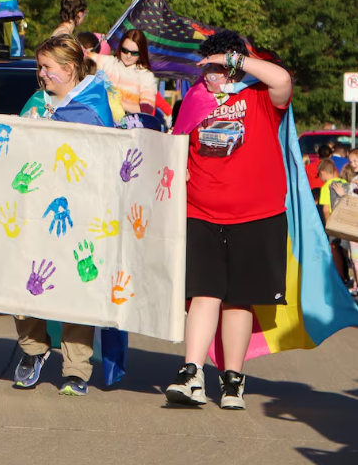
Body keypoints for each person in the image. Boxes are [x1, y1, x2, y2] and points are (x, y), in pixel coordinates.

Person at [165, 30, 293, 410]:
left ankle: (233, 380)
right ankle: (192, 373)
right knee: (203, 295)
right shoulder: (194, 99)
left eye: (217, 67)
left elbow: (283, 80)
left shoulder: (259, 96)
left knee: (239, 301)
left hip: (257, 215)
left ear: (236, 64)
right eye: (206, 68)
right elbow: (178, 142)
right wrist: (179, 167)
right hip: (201, 212)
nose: (209, 76)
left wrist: (234, 61)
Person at [15, 35, 115, 396]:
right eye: (39, 67)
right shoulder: (34, 103)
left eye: (47, 68)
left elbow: (107, 161)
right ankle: (32, 350)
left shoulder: (94, 108)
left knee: (78, 283)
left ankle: (75, 368)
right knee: (23, 282)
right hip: (33, 211)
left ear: (69, 69)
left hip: (80, 213)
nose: (40, 74)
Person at [88, 29, 157, 119]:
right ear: (120, 47)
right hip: (99, 120)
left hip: (127, 127)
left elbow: (146, 110)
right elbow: (80, 56)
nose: (128, 55)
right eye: (125, 50)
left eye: (134, 53)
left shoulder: (146, 76)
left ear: (141, 53)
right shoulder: (107, 62)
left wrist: (115, 102)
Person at [317, 159, 351, 285]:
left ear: (322, 173)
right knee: (348, 250)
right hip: (347, 220)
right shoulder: (345, 183)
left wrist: (328, 226)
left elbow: (326, 209)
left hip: (335, 222)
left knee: (334, 248)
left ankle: (341, 277)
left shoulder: (326, 187)